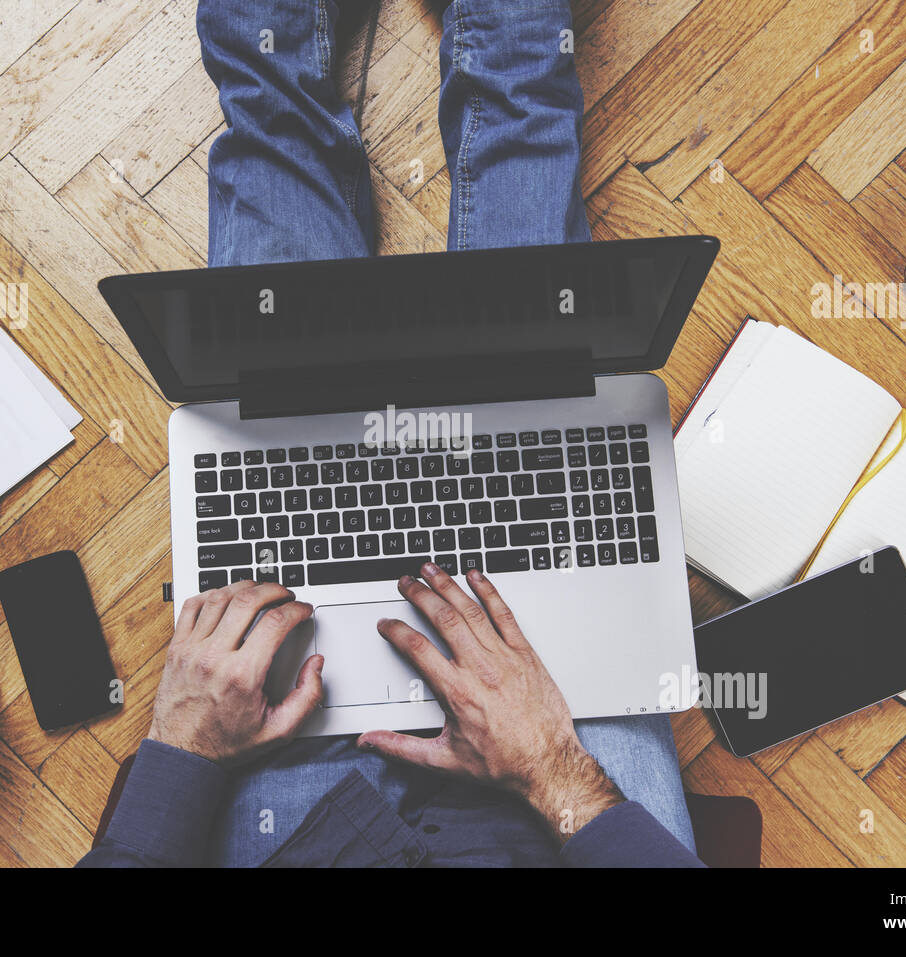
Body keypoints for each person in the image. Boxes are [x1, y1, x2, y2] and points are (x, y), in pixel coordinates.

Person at [78, 0, 703, 867]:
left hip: (296, 823)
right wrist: (554, 767)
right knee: (540, 364)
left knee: (269, 141)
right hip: (559, 816)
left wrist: (184, 741)